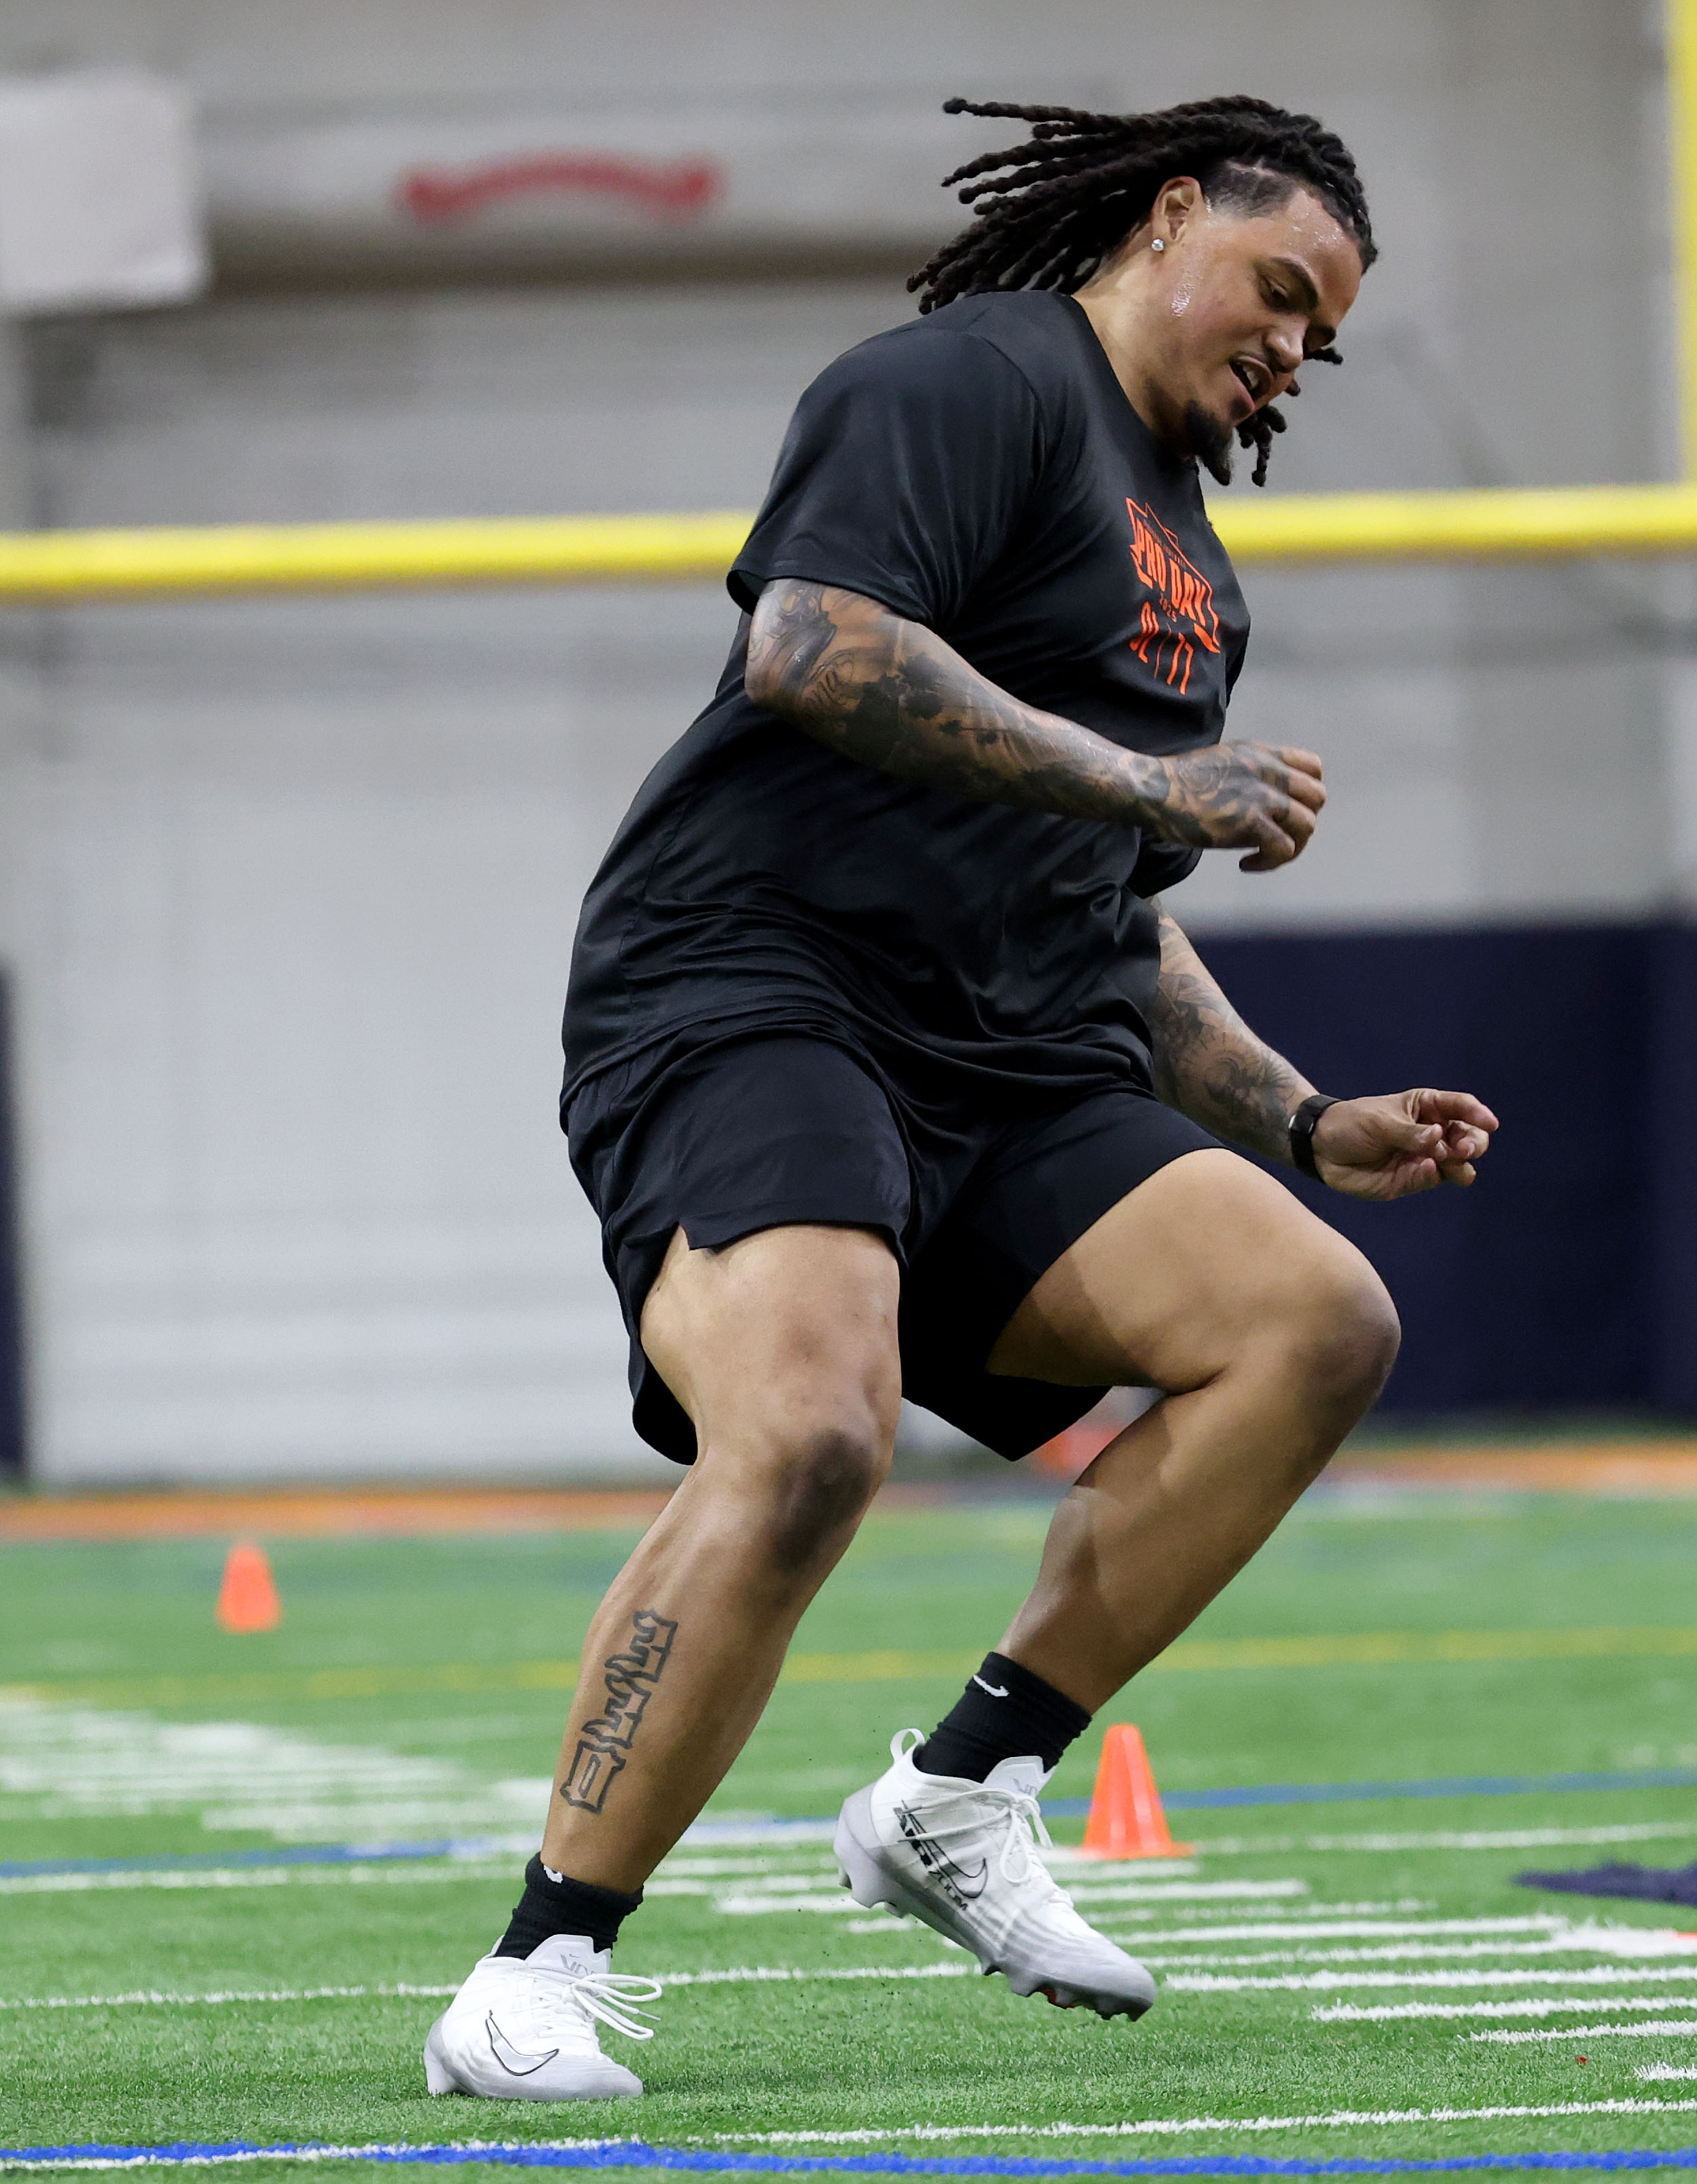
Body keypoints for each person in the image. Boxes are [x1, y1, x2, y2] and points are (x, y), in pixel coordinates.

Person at [421, 94, 1497, 2103]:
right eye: (1276, 291)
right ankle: (538, 1965)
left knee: (1314, 1316)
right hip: (758, 987)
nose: (1289, 350)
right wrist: (1146, 783)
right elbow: (813, 647)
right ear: (1167, 214)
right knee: (813, 1435)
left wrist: (1297, 1115)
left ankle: (959, 1788)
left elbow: (1114, 928)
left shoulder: (1189, 557)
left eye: (1318, 339)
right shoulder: (969, 382)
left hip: (1001, 1047)